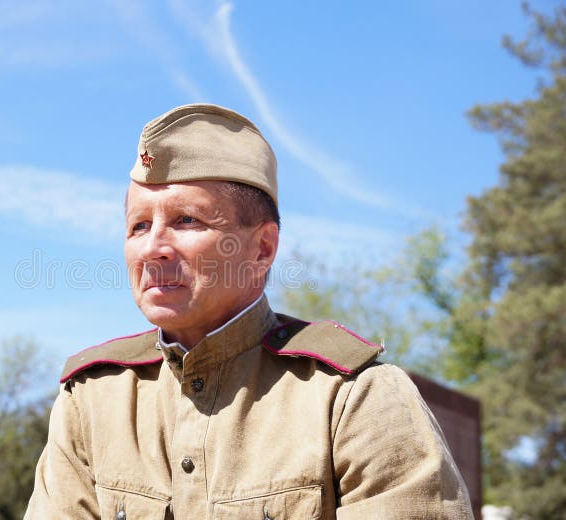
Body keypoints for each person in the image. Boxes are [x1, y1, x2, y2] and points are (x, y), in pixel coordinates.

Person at [24, 104, 473, 519]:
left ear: (262, 248)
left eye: (186, 220)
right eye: (139, 226)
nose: (153, 248)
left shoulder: (352, 397)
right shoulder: (93, 400)